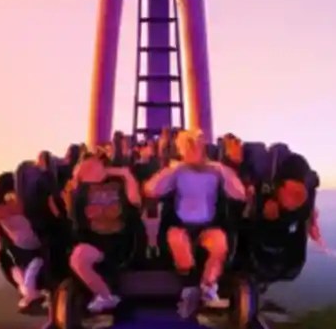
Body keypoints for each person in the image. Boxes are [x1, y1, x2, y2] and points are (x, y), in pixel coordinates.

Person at [144, 128, 247, 316]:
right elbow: (151, 190)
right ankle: (190, 289)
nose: (193, 150)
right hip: (181, 225)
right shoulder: (177, 171)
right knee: (178, 239)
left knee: (219, 242)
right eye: (188, 146)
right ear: (181, 149)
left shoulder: (216, 171)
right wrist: (172, 170)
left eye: (197, 146)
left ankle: (208, 287)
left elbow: (240, 194)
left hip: (207, 226)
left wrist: (223, 169)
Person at [66, 151, 142, 313]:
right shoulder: (81, 191)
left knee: (82, 256)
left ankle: (106, 296)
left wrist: (123, 173)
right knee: (78, 258)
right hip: (95, 242)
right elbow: (75, 218)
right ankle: (106, 297)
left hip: (119, 242)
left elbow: (135, 202)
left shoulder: (118, 183)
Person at [0, 189, 46, 310]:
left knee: (22, 265)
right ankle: (29, 293)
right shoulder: (5, 208)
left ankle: (30, 294)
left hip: (28, 244)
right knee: (18, 268)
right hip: (27, 243)